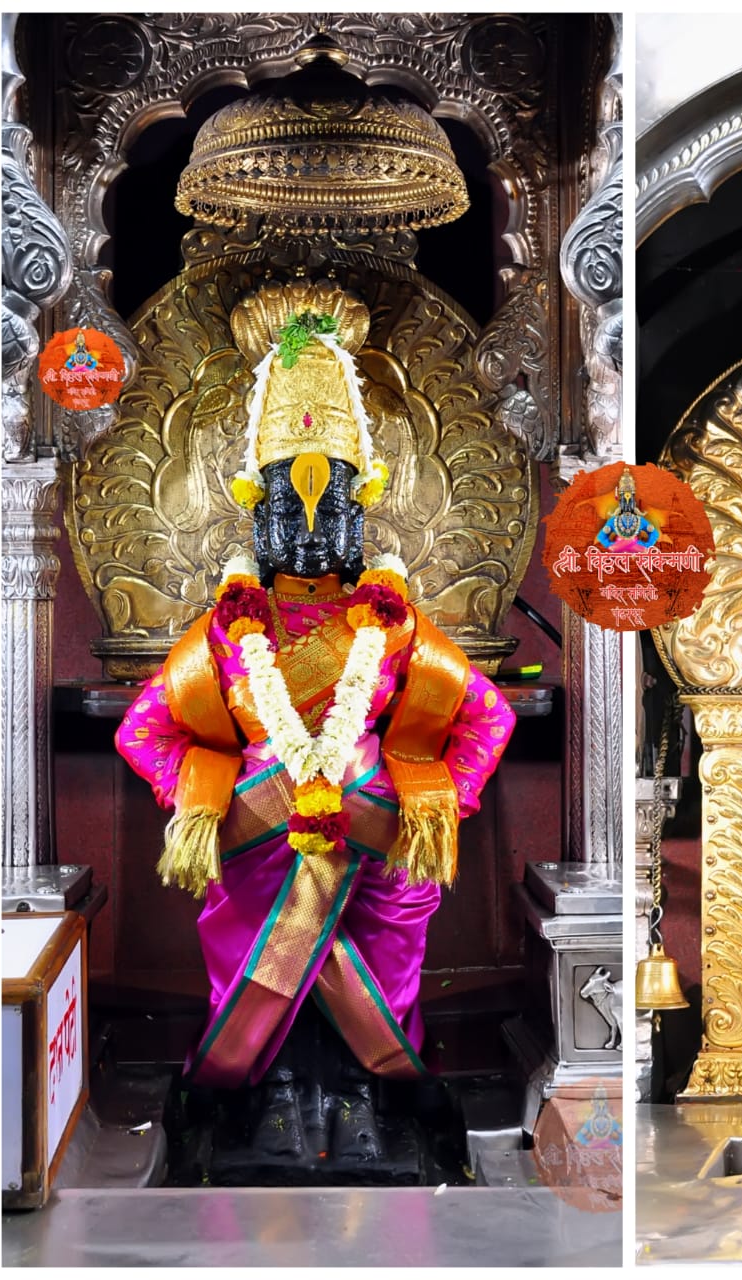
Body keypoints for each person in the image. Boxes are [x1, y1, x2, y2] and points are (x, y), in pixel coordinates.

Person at [116, 299, 515, 1163]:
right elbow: (146, 731)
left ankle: (369, 1103)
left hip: (374, 849)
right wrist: (206, 806)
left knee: (368, 977)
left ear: (362, 508)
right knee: (274, 985)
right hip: (260, 844)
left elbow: (487, 716)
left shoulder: (395, 624)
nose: (306, 532)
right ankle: (274, 1106)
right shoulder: (231, 627)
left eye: (329, 508)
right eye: (290, 510)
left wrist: (431, 805)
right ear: (254, 510)